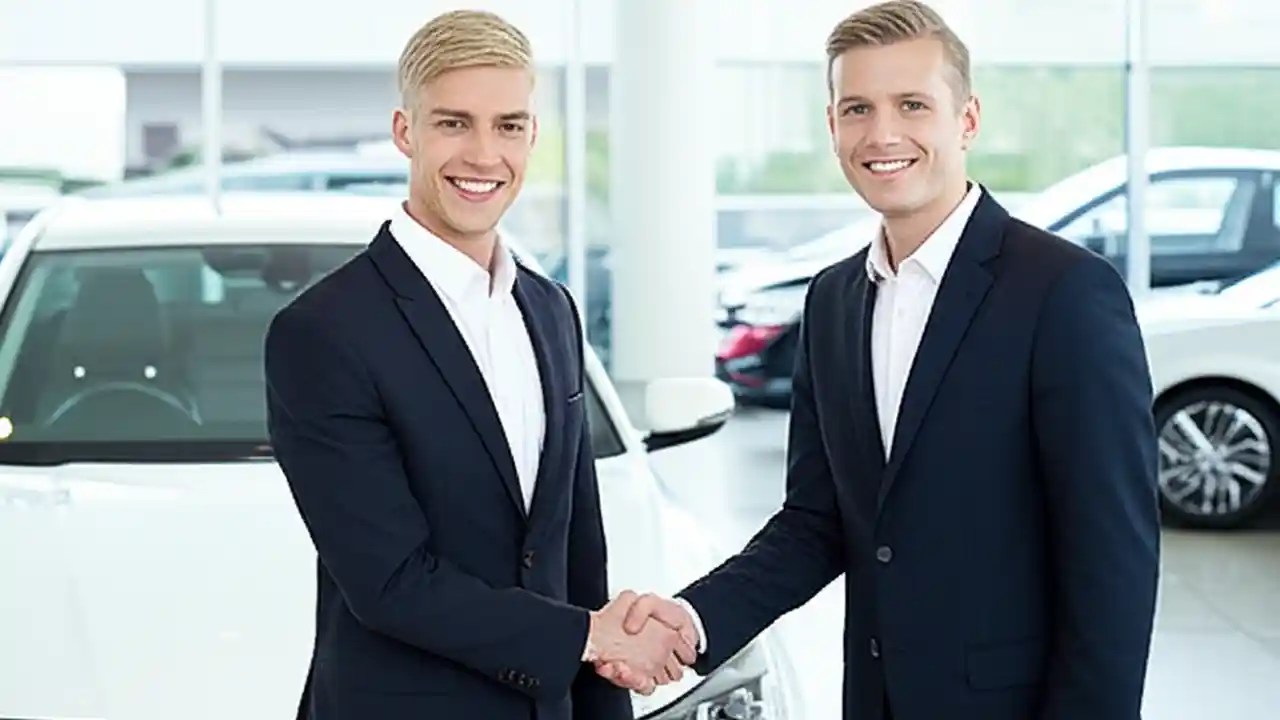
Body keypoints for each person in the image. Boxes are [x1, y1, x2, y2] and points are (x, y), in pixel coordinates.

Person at [600, 1, 1161, 718]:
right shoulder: (833, 301)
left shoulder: (1063, 293)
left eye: (912, 104)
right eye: (858, 108)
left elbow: (1112, 566)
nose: (883, 133)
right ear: (832, 125)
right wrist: (693, 619)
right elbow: (817, 521)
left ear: (967, 119)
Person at [264, 10, 691, 720]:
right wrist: (588, 636)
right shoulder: (323, 332)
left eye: (510, 125)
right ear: (407, 131)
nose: (484, 154)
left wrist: (600, 680)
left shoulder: (551, 310)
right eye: (455, 123)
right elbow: (391, 582)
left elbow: (578, 558)